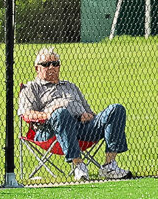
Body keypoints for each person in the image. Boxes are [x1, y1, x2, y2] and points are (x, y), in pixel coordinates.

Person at [17, 47, 131, 181]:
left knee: (116, 109)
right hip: (50, 131)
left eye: (55, 63)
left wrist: (87, 115)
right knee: (61, 113)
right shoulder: (31, 88)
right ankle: (79, 165)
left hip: (82, 128)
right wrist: (48, 114)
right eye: (46, 64)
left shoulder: (70, 86)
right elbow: (26, 114)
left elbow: (90, 112)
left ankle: (109, 166)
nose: (52, 67)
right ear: (37, 68)